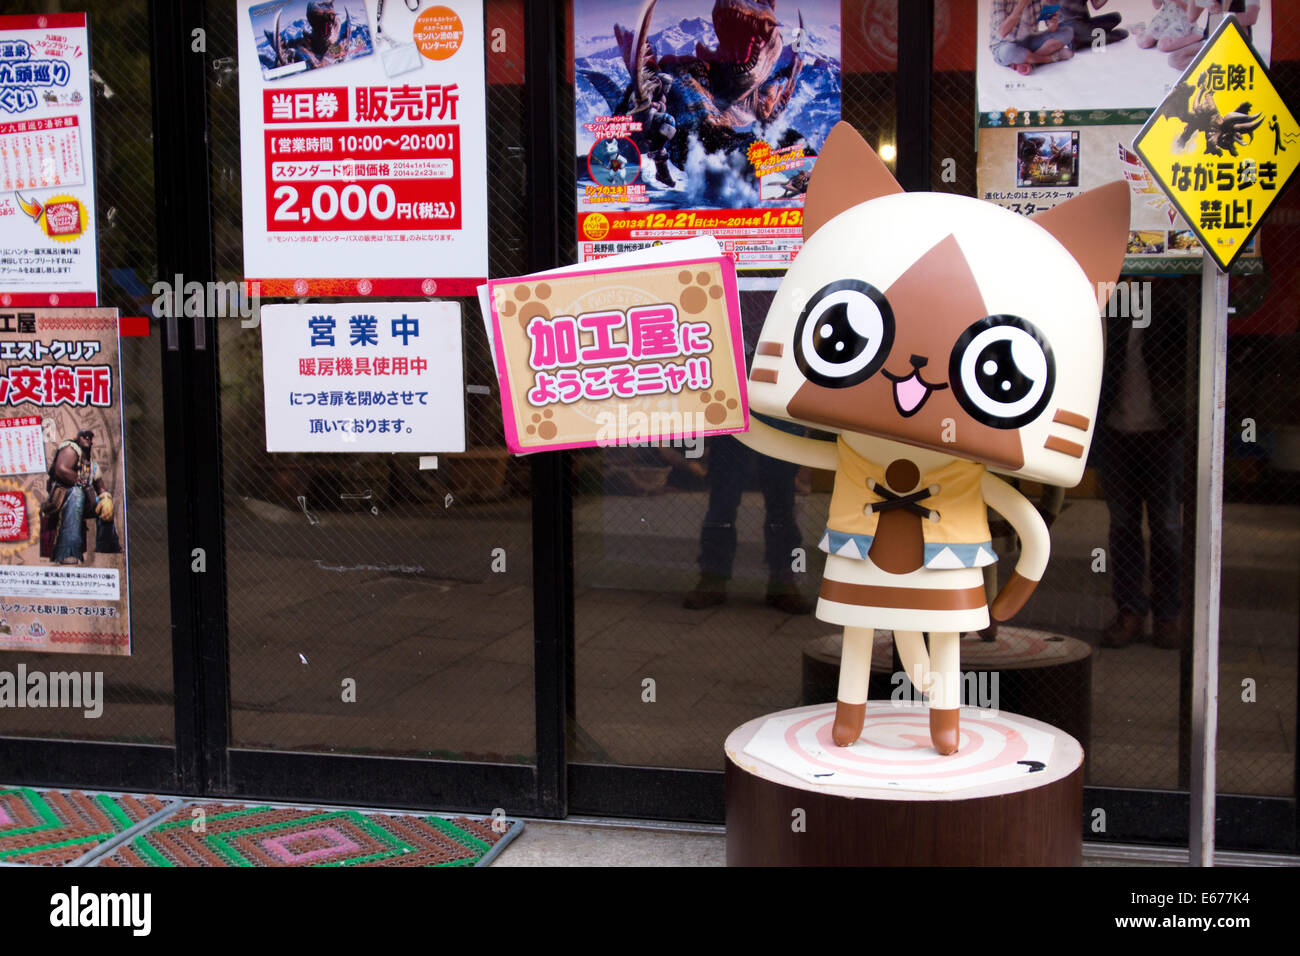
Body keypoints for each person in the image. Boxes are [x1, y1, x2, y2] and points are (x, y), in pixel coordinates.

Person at [1096, 296, 1186, 649]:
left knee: (1166, 526)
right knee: (1123, 525)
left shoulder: (1171, 306)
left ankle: (1167, 615)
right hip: (1115, 432)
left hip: (1164, 433)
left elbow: (1183, 361)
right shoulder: (1115, 305)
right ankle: (1130, 611)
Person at [43, 428, 113, 566]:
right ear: (77, 438)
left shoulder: (92, 465)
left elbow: (100, 487)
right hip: (63, 496)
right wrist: (82, 483)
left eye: (89, 436)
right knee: (76, 493)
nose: (87, 438)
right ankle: (67, 552)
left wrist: (105, 498)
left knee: (107, 505)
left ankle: (107, 548)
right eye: (84, 436)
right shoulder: (71, 448)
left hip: (86, 500)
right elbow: (61, 469)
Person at [990, 0, 1076, 76]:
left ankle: (1024, 60)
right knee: (1009, 51)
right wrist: (1021, 5)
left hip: (1029, 41)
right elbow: (1003, 32)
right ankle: (1050, 59)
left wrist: (1052, 24)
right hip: (1004, 45)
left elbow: (1052, 28)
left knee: (1067, 32)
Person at [1169, 0, 1259, 71]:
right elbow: (1192, 17)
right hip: (1211, 41)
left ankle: (1219, 66)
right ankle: (1220, 67)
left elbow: (1251, 17)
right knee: (1175, 58)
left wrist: (1221, 13)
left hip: (1234, 43)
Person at [1059, 0, 1128, 47]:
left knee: (1116, 17)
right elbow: (1097, 5)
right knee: (1122, 33)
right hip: (1071, 26)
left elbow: (1096, 4)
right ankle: (1083, 41)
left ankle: (1083, 40)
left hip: (1083, 24)